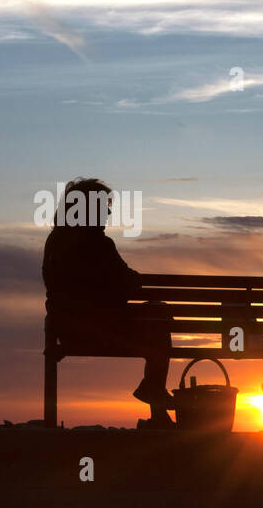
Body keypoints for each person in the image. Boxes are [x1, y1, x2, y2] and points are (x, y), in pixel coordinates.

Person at [42, 177, 175, 427]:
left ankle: (154, 397)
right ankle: (153, 393)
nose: (109, 211)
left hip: (69, 332)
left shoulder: (55, 241)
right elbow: (127, 284)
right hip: (105, 330)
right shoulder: (99, 245)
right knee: (159, 314)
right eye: (104, 206)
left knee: (154, 322)